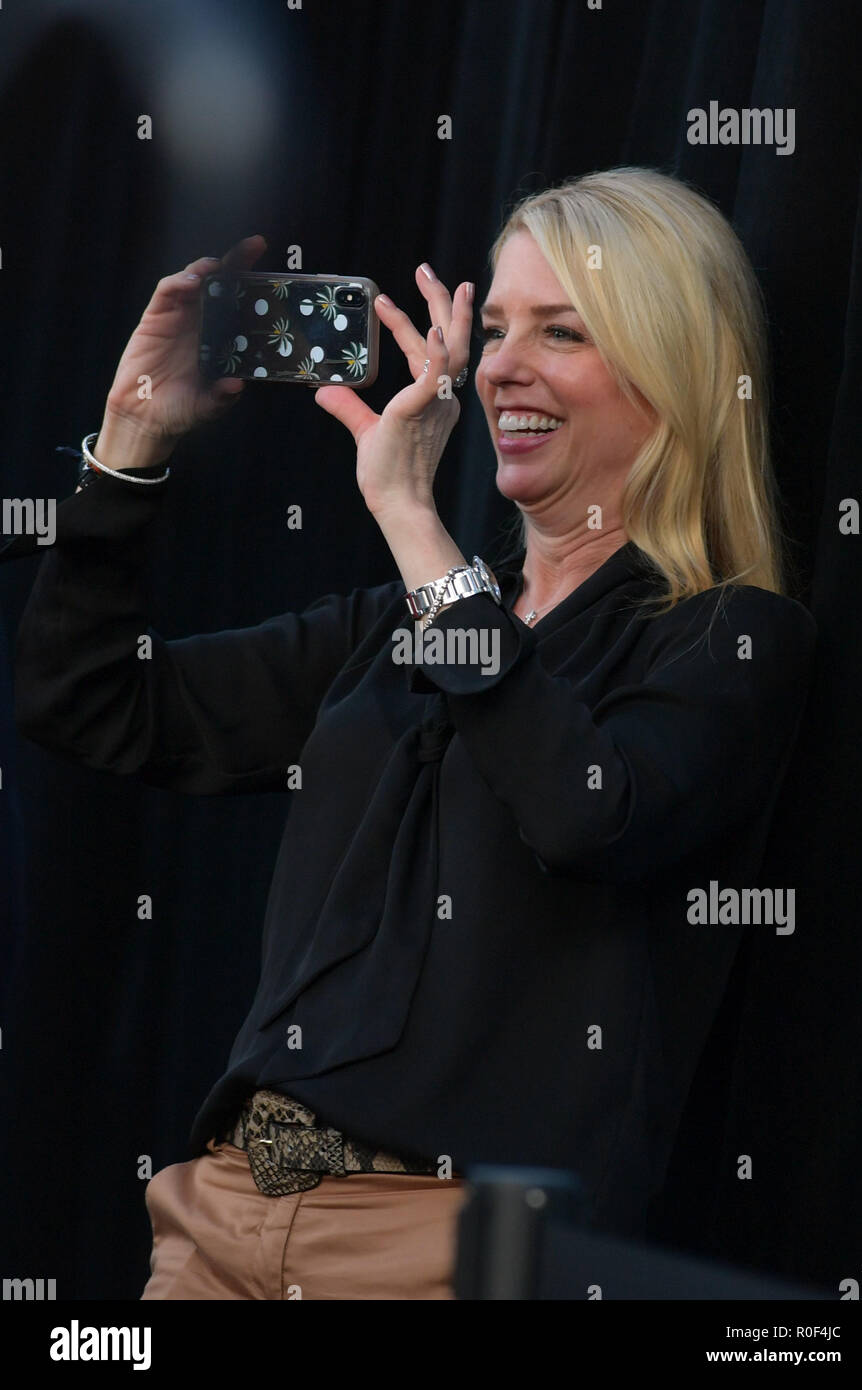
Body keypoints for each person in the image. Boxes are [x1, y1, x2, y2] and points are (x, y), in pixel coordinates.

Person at [6, 167, 817, 1300]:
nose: (498, 367)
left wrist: (409, 517)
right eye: (492, 330)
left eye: (561, 331)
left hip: (442, 1247)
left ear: (671, 371)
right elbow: (90, 701)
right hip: (228, 1214)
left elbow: (586, 807)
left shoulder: (728, 637)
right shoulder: (391, 625)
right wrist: (131, 445)